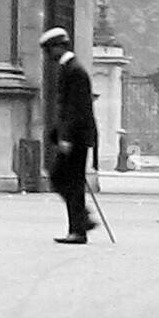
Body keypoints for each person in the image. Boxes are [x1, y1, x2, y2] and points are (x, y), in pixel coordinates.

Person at [40, 28, 98, 244]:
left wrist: (66, 137)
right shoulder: (69, 69)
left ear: (59, 47)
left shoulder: (74, 71)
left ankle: (79, 229)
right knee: (64, 179)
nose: (48, 55)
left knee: (67, 180)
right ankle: (81, 222)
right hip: (73, 136)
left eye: (49, 50)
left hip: (75, 138)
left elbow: (76, 109)